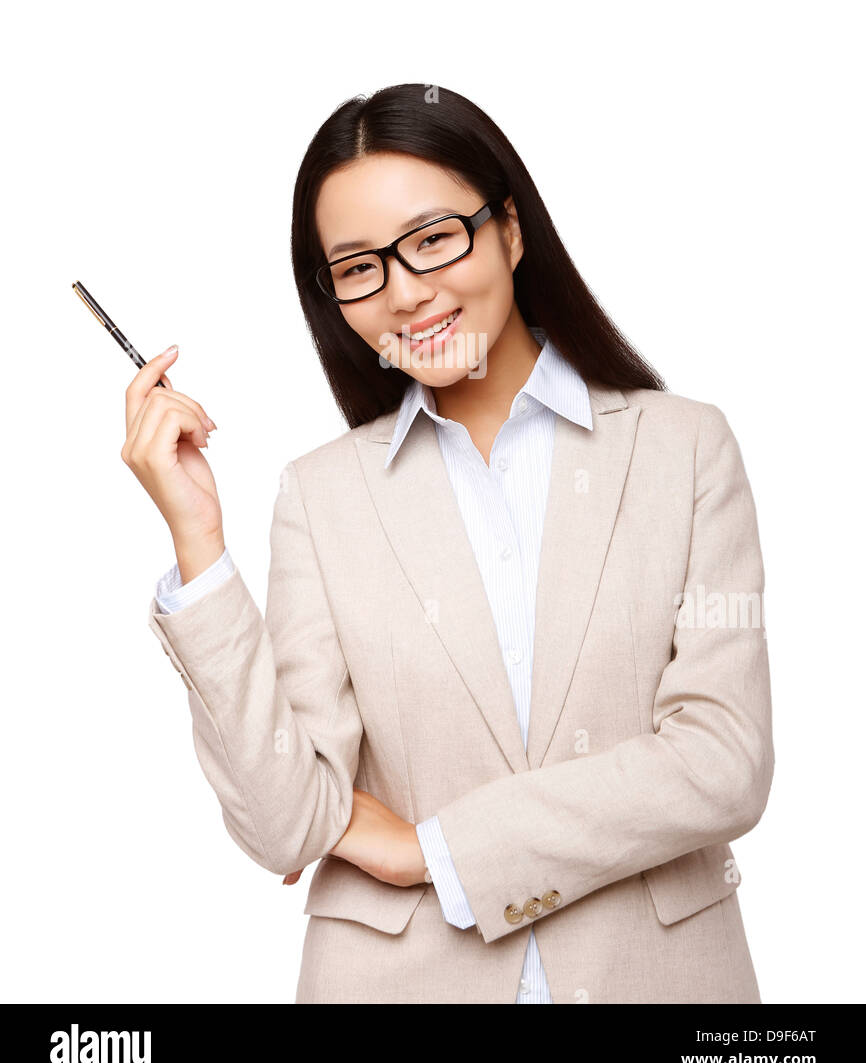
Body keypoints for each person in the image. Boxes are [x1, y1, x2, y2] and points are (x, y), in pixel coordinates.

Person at [122, 82, 773, 1004]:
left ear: (509, 229)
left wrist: (435, 850)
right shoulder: (320, 496)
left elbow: (724, 763)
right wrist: (199, 540)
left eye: (433, 239)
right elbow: (285, 822)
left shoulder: (685, 447)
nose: (405, 292)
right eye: (358, 268)